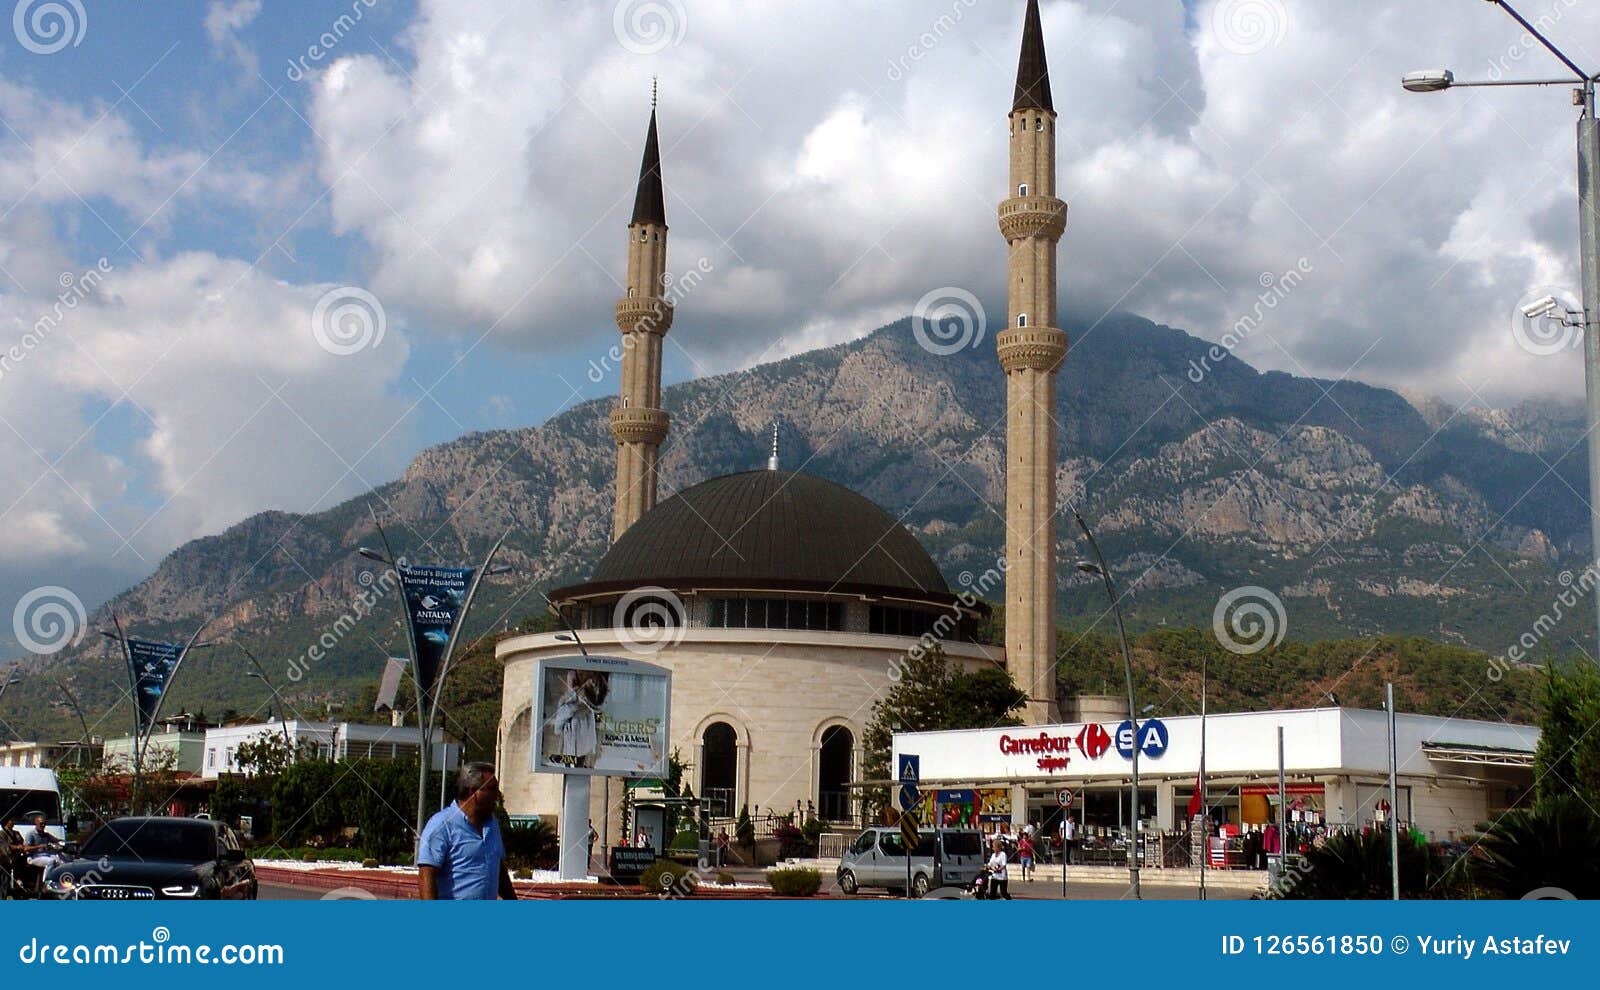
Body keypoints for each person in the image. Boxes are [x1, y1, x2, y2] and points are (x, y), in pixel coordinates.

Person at [417, 762, 517, 900]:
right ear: (473, 791)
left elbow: (499, 870)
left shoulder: (492, 824)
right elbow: (426, 875)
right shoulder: (441, 825)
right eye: (492, 789)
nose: (497, 795)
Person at [3, 817, 26, 899]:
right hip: (7, 856)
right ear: (6, 822)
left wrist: (21, 846)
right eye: (11, 821)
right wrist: (16, 847)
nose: (13, 823)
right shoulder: (2, 833)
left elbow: (22, 841)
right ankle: (17, 879)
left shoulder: (16, 833)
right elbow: (5, 846)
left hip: (19, 854)